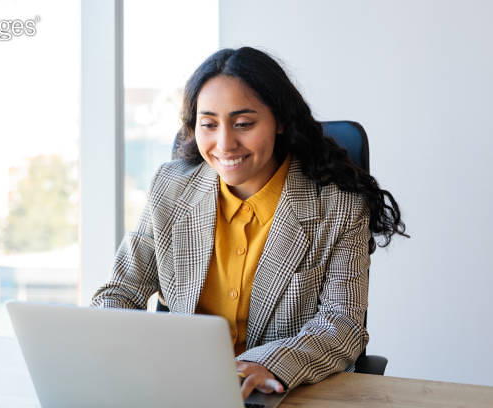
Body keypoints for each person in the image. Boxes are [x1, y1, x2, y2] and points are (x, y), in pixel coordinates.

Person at [91, 46, 408, 400]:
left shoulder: (338, 205)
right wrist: (111, 346)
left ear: (280, 121)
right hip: (181, 391)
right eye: (208, 124)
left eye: (243, 124)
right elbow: (120, 291)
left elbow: (342, 324)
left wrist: (266, 365)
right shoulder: (171, 186)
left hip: (281, 393)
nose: (225, 143)